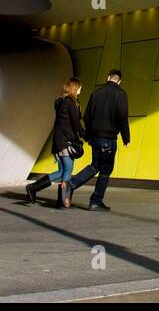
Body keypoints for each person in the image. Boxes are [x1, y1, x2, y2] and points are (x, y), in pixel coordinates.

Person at [69, 69, 130, 210]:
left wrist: (89, 134)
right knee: (105, 170)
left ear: (108, 78)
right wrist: (126, 138)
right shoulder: (121, 94)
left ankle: (71, 184)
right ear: (119, 81)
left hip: (95, 138)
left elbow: (86, 117)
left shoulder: (96, 93)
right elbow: (122, 118)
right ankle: (95, 201)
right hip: (109, 139)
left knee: (95, 165)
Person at [26, 77, 84, 207]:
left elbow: (65, 124)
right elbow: (75, 124)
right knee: (68, 170)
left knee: (61, 171)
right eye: (79, 87)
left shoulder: (62, 103)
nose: (81, 90)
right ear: (75, 88)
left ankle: (33, 188)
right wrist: (84, 135)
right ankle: (63, 200)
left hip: (59, 141)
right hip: (66, 141)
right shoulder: (71, 103)